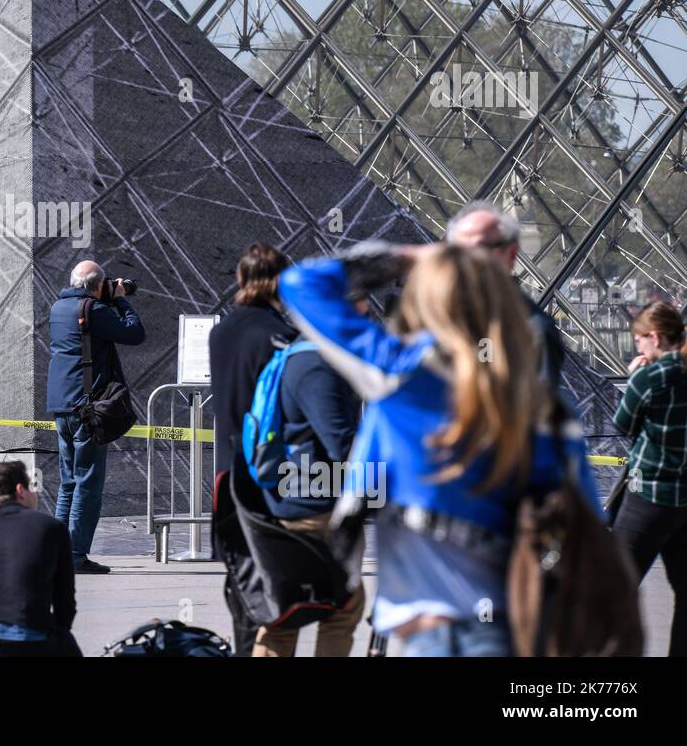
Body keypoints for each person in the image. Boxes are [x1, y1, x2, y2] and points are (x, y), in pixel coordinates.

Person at [278, 241, 600, 656]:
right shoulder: (548, 409)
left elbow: (300, 285)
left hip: (431, 628)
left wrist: (403, 257)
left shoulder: (402, 375)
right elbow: (587, 527)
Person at [253, 326, 364, 656]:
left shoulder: (297, 354)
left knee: (285, 614)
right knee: (341, 608)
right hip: (315, 504)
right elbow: (340, 442)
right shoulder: (317, 363)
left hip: (297, 495)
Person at [46, 260, 145, 574]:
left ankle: (59, 553)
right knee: (88, 482)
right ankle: (75, 556)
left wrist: (106, 295)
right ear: (98, 285)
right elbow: (134, 333)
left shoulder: (58, 308)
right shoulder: (96, 310)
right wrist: (120, 298)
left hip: (62, 404)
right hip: (87, 407)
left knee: (68, 482)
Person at [611, 302, 687, 656]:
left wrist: (633, 380)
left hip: (649, 496)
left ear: (654, 337)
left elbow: (623, 425)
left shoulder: (649, 377)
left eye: (639, 339)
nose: (638, 347)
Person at [0, 461, 79, 657]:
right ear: (20, 490)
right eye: (31, 486)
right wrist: (59, 635)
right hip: (26, 636)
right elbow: (65, 601)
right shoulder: (51, 527)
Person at [446, 201, 565, 394]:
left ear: (510, 254)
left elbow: (536, 410)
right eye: (457, 251)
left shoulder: (533, 330)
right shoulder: (434, 316)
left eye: (479, 249)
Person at [210, 243, 297, 476]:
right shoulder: (281, 336)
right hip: (268, 466)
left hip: (226, 467)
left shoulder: (219, 332)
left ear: (241, 277)